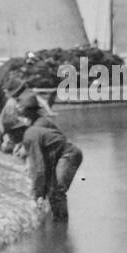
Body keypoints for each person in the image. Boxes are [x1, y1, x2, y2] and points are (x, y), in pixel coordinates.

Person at [19, 91, 83, 221]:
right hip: (61, 153)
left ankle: (60, 228)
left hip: (67, 155)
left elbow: (39, 167)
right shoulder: (36, 126)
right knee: (52, 191)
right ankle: (56, 221)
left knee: (56, 192)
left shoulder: (35, 130)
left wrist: (38, 193)